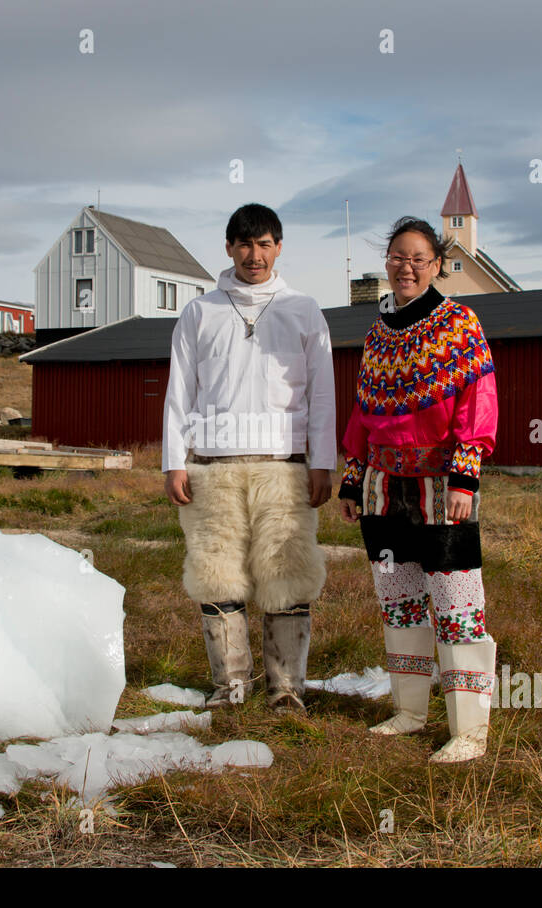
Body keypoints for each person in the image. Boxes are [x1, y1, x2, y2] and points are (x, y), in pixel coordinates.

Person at [163, 203, 336, 713]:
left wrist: (321, 460)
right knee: (218, 574)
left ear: (279, 247)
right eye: (244, 244)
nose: (253, 255)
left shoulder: (304, 309)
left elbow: (321, 395)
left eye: (264, 244)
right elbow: (179, 391)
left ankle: (286, 689)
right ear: (228, 248)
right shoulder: (200, 311)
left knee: (287, 573)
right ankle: (230, 688)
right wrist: (175, 460)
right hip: (213, 465)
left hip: (282, 465)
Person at [338, 216, 498, 762]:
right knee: (399, 601)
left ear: (435, 266)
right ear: (386, 263)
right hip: (384, 488)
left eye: (418, 259)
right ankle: (409, 710)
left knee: (456, 604)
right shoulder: (377, 333)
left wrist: (464, 475)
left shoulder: (460, 323)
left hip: (440, 485)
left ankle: (469, 730)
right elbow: (364, 411)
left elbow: (478, 402)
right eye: (397, 257)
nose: (406, 267)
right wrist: (353, 478)